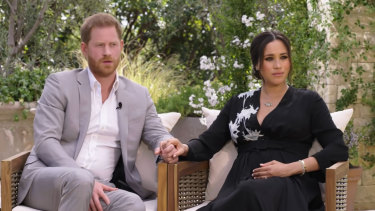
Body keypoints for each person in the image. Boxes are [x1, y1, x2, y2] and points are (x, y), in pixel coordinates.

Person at [167, 31, 348, 211]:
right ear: (257, 64)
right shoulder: (238, 103)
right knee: (247, 191)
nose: (278, 65)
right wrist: (184, 148)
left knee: (251, 191)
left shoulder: (309, 101)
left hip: (290, 185)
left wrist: (293, 168)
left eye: (283, 57)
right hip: (241, 184)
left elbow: (337, 149)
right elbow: (208, 142)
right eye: (269, 58)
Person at [17, 13, 178, 211]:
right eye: (100, 45)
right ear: (84, 49)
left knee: (133, 204)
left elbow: (156, 132)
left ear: (121, 46)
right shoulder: (60, 84)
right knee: (81, 180)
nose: (107, 52)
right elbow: (45, 142)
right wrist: (85, 178)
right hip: (49, 179)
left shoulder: (139, 95)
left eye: (112, 45)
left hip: (101, 186)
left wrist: (167, 144)